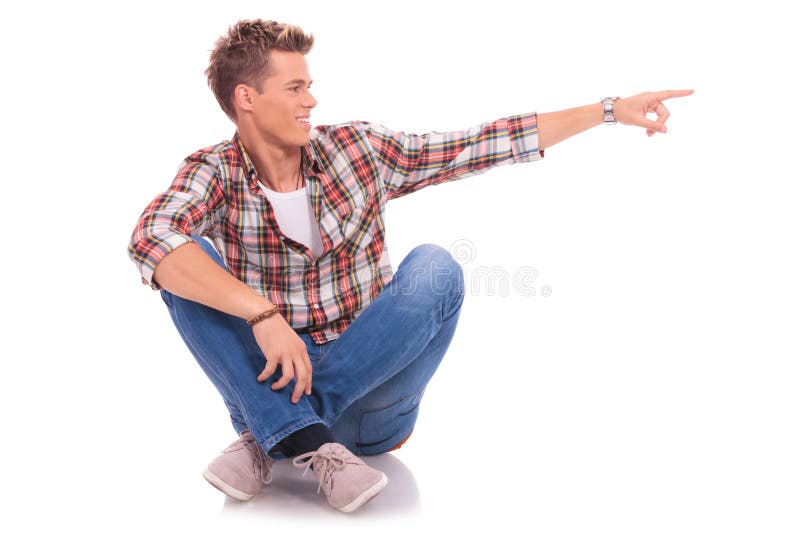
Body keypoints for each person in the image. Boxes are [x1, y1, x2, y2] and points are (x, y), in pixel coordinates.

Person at [127, 18, 693, 513]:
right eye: (295, 87)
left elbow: (478, 143)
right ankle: (305, 439)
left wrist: (609, 110)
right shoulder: (213, 171)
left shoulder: (358, 150)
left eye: (311, 87)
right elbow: (149, 237)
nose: (311, 102)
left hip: (367, 409)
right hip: (274, 383)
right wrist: (261, 313)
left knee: (436, 267)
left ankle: (285, 435)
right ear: (246, 98)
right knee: (180, 263)